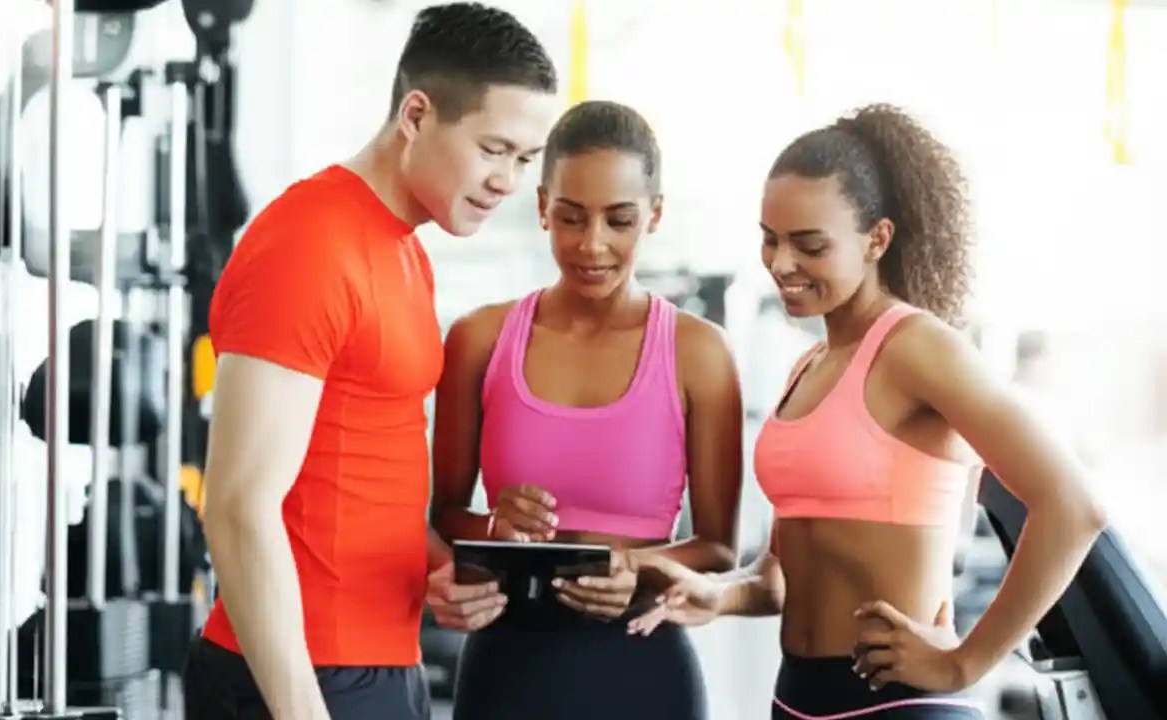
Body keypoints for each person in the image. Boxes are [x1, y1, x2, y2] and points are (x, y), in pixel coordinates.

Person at [628, 103, 1108, 719]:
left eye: (809, 245)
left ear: (877, 238)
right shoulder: (809, 366)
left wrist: (965, 660)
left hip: (897, 706)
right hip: (796, 698)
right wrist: (718, 597)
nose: (780, 263)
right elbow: (779, 577)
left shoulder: (917, 347)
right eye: (770, 239)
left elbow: (1074, 506)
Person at [182, 4, 559, 719]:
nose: (508, 180)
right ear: (416, 115)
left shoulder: (406, 250)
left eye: (524, 158)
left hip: (380, 665)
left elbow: (353, 471)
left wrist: (436, 566)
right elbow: (235, 507)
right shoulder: (310, 243)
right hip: (297, 676)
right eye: (493, 149)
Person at [430, 100, 744, 720]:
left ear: (654, 215)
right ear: (543, 205)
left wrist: (638, 566)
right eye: (571, 218)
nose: (591, 244)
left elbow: (717, 549)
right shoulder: (478, 339)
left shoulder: (699, 353)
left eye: (618, 220)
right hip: (508, 672)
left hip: (641, 671)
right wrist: (493, 528)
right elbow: (443, 514)